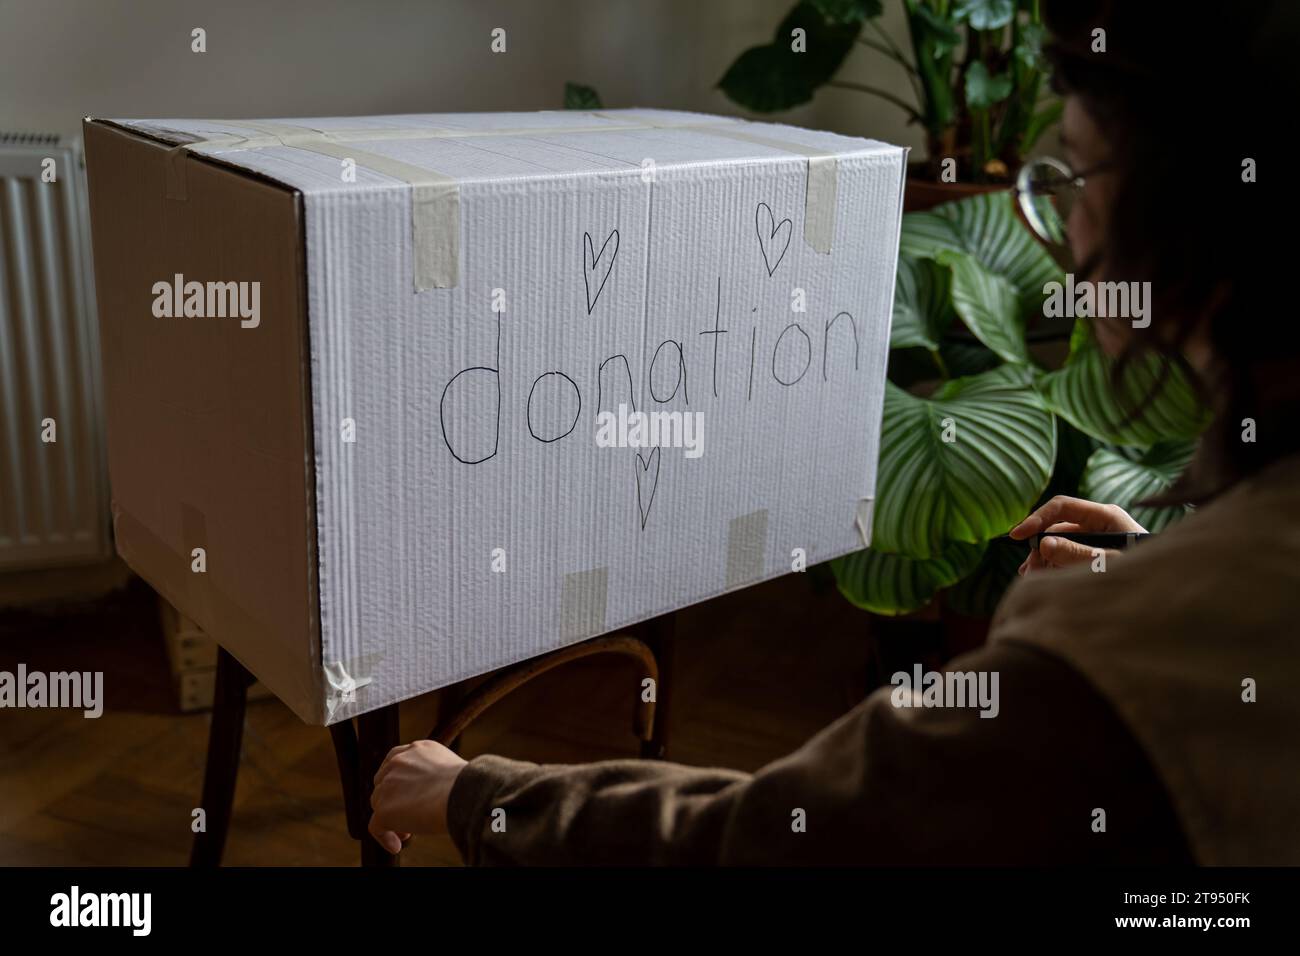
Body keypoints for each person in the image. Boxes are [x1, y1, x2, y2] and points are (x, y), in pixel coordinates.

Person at [369, 1, 1300, 865]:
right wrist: (1152, 582)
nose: (1062, 220)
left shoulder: (1125, 661)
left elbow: (767, 844)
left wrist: (476, 796)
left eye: (1075, 175)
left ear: (1181, 224)